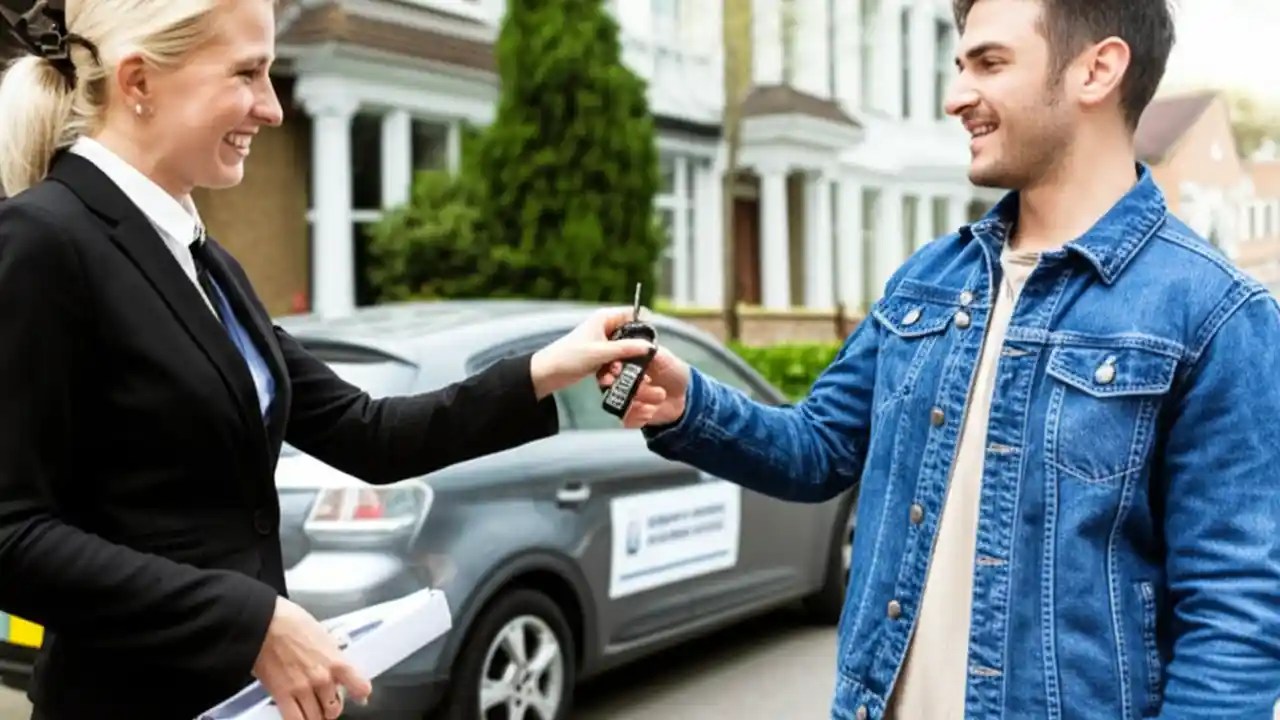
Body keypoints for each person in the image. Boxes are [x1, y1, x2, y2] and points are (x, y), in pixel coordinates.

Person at [605, 0, 1280, 718]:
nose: (956, 97)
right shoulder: (930, 278)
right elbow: (819, 448)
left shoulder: (1217, 315)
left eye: (989, 63)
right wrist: (687, 403)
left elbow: (1235, 619)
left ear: (1098, 70)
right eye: (960, 66)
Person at [0, 1, 663, 719]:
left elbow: (367, 431)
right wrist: (251, 621)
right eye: (248, 73)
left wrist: (549, 367)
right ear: (138, 82)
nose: (273, 107)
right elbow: (12, 534)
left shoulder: (203, 261)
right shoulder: (43, 242)